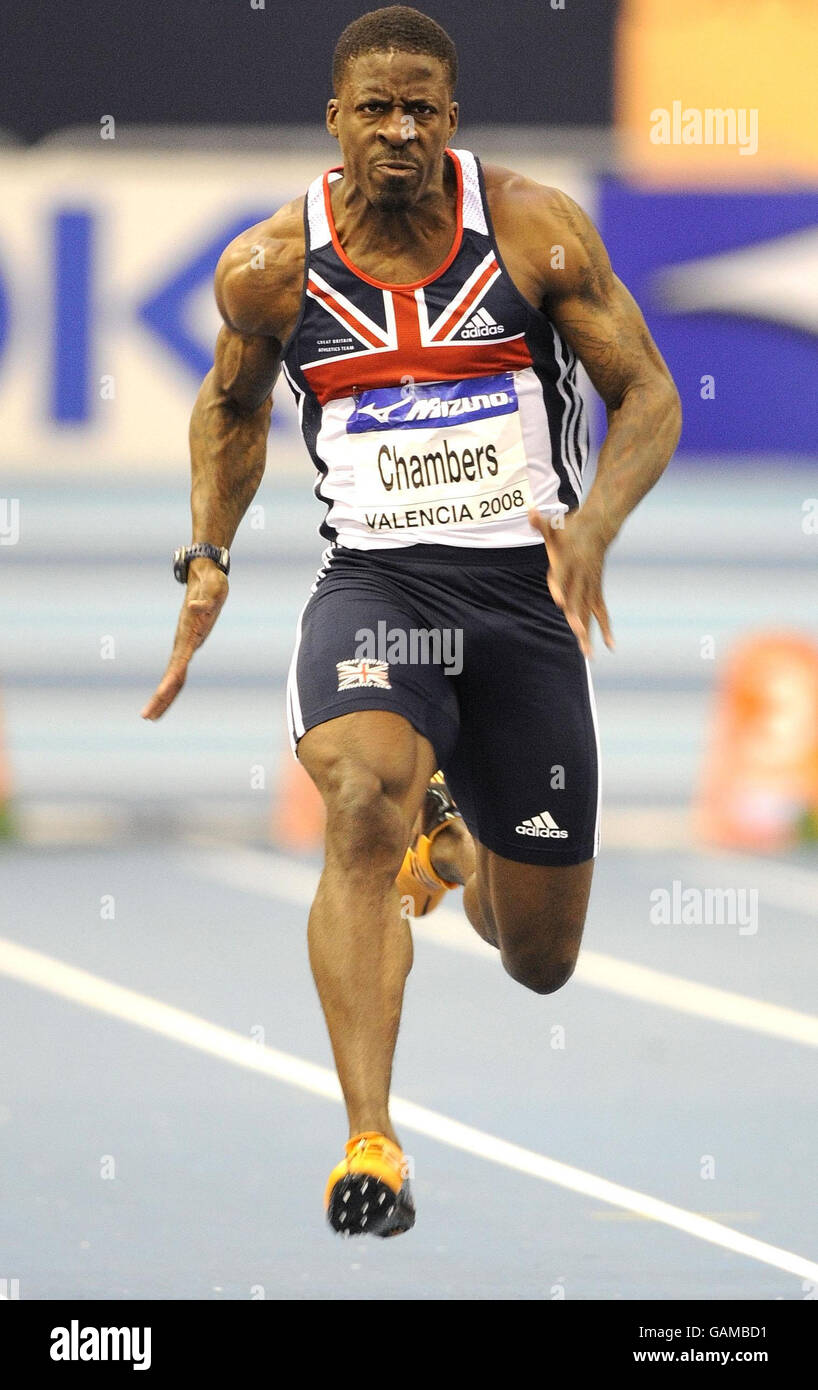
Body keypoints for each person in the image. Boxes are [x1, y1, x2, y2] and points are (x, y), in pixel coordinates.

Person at [142, 5, 681, 1238]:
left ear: (451, 120)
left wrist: (593, 525)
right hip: (377, 591)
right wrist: (208, 555)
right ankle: (370, 1142)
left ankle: (459, 851)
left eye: (420, 111)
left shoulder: (533, 232)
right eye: (375, 109)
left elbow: (646, 392)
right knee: (356, 798)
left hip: (522, 601)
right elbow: (230, 410)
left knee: (537, 956)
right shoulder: (269, 267)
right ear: (334, 120)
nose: (398, 130)